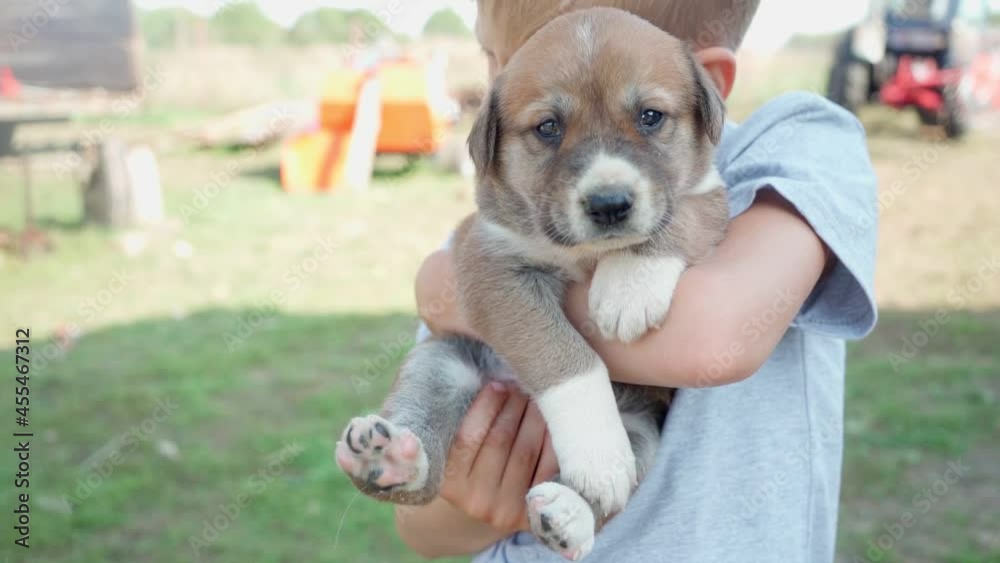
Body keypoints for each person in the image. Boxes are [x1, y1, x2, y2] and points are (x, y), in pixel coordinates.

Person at [396, 1, 878, 561]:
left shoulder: (801, 142)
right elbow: (422, 531)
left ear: (707, 84)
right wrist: (476, 496)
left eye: (649, 117)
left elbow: (714, 339)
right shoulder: (510, 221)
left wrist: (465, 294)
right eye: (547, 127)